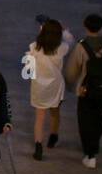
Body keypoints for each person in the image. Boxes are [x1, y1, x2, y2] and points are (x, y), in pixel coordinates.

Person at [64, 13, 102, 169]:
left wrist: (73, 87)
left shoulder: (82, 47)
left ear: (85, 25)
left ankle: (90, 153)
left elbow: (71, 70)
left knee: (85, 120)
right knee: (98, 116)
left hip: (86, 91)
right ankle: (94, 143)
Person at [26, 18, 75, 161]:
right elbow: (71, 40)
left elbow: (29, 67)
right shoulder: (61, 48)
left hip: (39, 87)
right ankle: (53, 135)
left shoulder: (34, 47)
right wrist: (65, 31)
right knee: (55, 113)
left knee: (39, 118)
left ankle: (38, 145)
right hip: (56, 86)